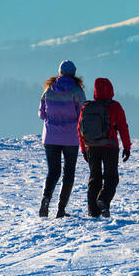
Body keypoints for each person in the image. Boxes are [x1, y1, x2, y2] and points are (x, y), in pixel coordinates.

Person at [77, 77, 132, 218]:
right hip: (110, 147)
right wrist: (127, 147)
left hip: (91, 147)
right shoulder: (115, 106)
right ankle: (103, 200)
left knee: (94, 178)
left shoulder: (86, 107)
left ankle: (93, 211)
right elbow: (123, 128)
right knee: (111, 177)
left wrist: (84, 149)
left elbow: (80, 129)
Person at [38, 60, 86, 217]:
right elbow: (83, 114)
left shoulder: (48, 90)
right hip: (71, 137)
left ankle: (45, 201)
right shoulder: (77, 91)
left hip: (50, 137)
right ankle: (61, 209)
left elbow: (42, 114)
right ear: (73, 73)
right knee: (69, 172)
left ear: (59, 72)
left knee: (53, 171)